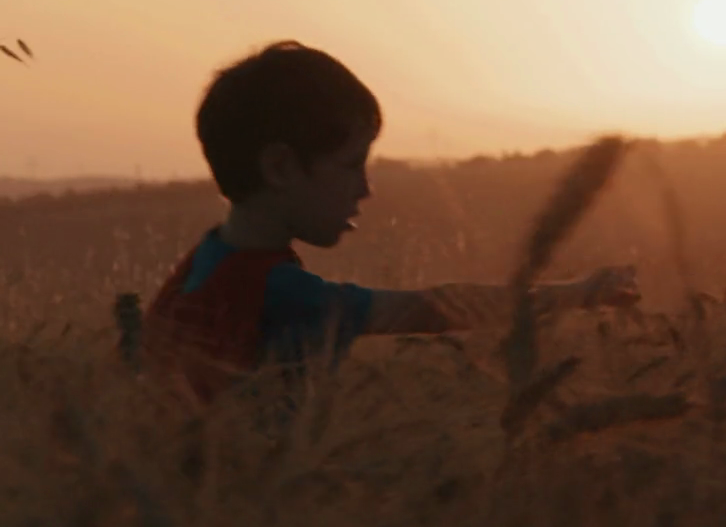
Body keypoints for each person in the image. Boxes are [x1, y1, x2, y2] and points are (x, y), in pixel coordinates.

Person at [143, 40, 639, 404]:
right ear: (281, 168)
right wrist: (579, 292)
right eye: (350, 164)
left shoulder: (201, 265)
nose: (365, 189)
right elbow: (439, 309)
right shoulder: (285, 296)